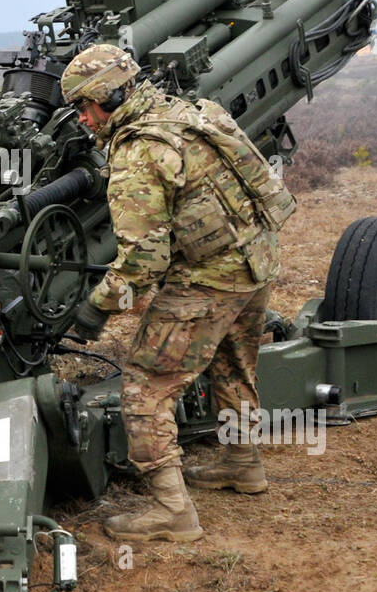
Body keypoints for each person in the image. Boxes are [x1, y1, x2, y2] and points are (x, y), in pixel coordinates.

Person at [60, 44, 295, 543]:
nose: (82, 119)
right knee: (233, 362)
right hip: (257, 261)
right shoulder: (191, 111)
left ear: (109, 95)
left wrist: (94, 310)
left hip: (209, 278)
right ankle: (242, 463)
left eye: (85, 106)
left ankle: (172, 512)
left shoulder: (137, 151)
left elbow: (143, 261)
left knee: (145, 385)